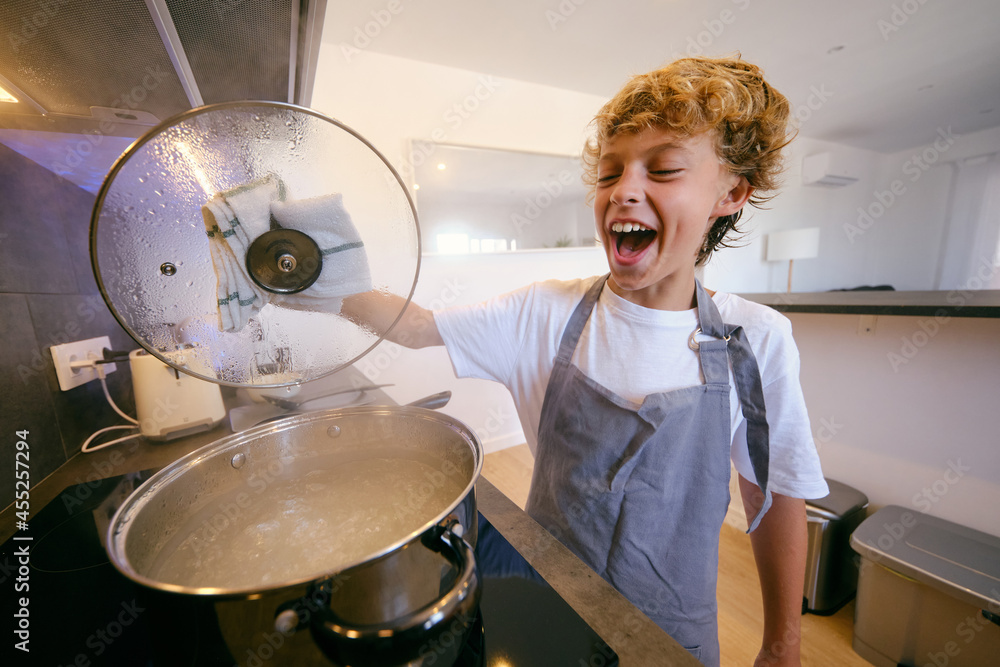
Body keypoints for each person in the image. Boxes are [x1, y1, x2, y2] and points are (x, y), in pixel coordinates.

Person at [344, 56, 828, 667]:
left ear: (730, 193)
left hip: (672, 634)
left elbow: (774, 494)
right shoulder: (543, 313)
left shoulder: (756, 339)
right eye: (609, 173)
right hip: (546, 611)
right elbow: (414, 327)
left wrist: (783, 644)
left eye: (664, 168)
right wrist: (310, 278)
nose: (624, 189)